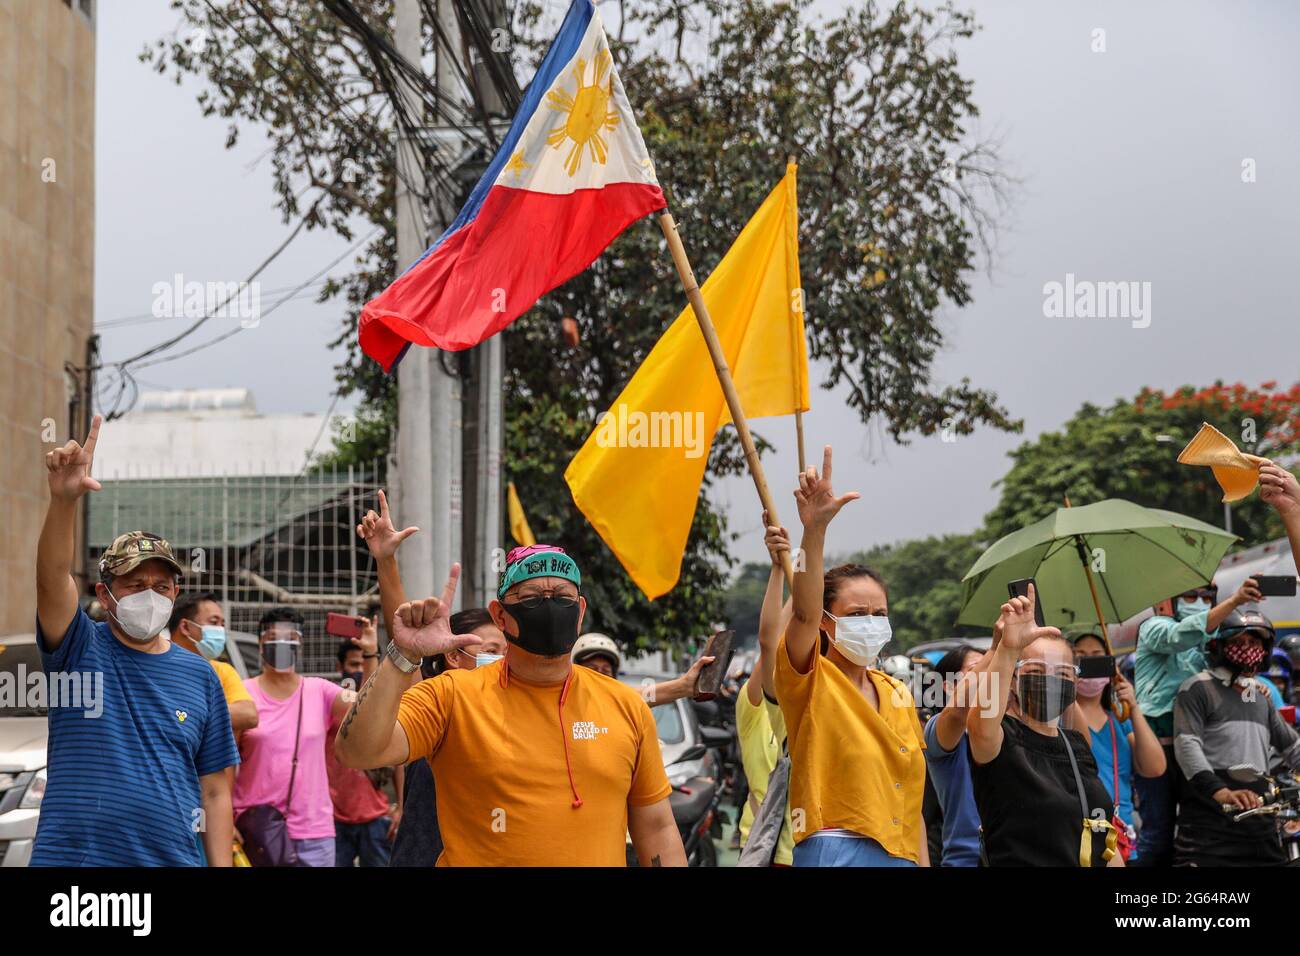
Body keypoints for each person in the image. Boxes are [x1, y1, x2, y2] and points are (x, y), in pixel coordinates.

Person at [334, 539, 686, 866]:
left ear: (579, 613)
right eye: (532, 597)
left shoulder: (626, 705)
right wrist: (403, 653)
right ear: (501, 616)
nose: (549, 606)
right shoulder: (451, 695)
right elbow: (358, 751)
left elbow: (656, 827)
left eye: (561, 597)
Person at [34, 416, 238, 865]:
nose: (150, 594)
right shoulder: (78, 648)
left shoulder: (201, 675)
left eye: (161, 586)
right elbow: (51, 581)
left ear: (175, 594)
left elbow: (215, 789)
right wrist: (63, 501)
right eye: (134, 584)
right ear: (104, 594)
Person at [776, 446, 929, 866]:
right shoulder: (808, 680)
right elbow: (803, 612)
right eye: (857, 614)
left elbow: (912, 807)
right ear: (827, 623)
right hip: (836, 848)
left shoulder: (898, 693)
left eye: (879, 613)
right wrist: (814, 530)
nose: (872, 622)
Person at [967, 585, 1122, 867]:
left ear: (1074, 681)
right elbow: (981, 720)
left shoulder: (1074, 744)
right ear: (1014, 680)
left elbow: (1102, 839)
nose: (1050, 680)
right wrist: (1008, 649)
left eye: (1062, 673)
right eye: (1036, 670)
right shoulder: (1001, 741)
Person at [1132, 576, 1261, 866]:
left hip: (1196, 747)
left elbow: (1222, 672)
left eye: (1206, 597)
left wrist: (1249, 682)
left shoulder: (1211, 636)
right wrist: (1235, 600)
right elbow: (1181, 636)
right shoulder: (1154, 627)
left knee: (1201, 829)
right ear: (1168, 602)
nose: (1200, 603)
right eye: (1190, 597)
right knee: (1158, 834)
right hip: (1160, 749)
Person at [233, 607, 368, 866]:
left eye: (290, 637)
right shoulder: (242, 695)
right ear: (261, 643)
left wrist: (371, 654)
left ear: (301, 644)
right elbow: (225, 763)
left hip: (314, 833)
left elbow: (366, 708)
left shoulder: (321, 691)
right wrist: (225, 821)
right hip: (256, 829)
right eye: (274, 637)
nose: (282, 643)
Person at [1173, 609, 1300, 866]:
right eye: (1237, 642)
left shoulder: (1258, 696)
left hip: (1261, 826)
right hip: (1210, 828)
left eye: (1253, 643)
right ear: (1220, 647)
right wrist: (1220, 791)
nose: (1246, 648)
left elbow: (1292, 745)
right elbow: (1187, 747)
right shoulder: (1197, 687)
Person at [388, 607, 507, 867]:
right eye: (492, 650)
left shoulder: (514, 715)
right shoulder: (434, 708)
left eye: (506, 653)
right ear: (453, 655)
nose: (501, 660)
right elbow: (403, 641)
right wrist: (387, 567)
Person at [1070, 632, 1166, 862]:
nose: (1089, 662)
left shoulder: (1120, 722)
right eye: (1080, 657)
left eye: (1097, 656)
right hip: (1075, 833)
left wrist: (1132, 706)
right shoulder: (1061, 719)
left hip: (1118, 836)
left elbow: (1154, 768)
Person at [734, 516, 795, 864]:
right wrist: (786, 574)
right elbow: (770, 643)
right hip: (763, 848)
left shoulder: (811, 706)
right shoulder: (755, 708)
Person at [328, 627, 397, 866]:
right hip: (335, 817)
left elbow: (398, 762)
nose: (357, 670)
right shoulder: (333, 702)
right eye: (353, 665)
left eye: (363, 664)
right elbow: (358, 709)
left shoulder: (386, 707)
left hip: (375, 817)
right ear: (340, 668)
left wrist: (401, 807)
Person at [922, 643, 984, 867]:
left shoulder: (1007, 732)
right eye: (978, 670)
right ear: (948, 687)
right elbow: (958, 713)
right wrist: (1000, 648)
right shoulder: (937, 730)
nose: (990, 677)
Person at [169, 592, 259, 734]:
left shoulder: (222, 670)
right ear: (185, 627)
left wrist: (182, 714)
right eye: (213, 622)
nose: (221, 630)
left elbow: (248, 715)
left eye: (222, 624)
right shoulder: (158, 666)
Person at [571, 633, 713, 703]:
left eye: (606, 671)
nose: (599, 676)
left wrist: (685, 686)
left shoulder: (620, 704)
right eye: (592, 669)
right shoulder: (562, 702)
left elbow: (643, 696)